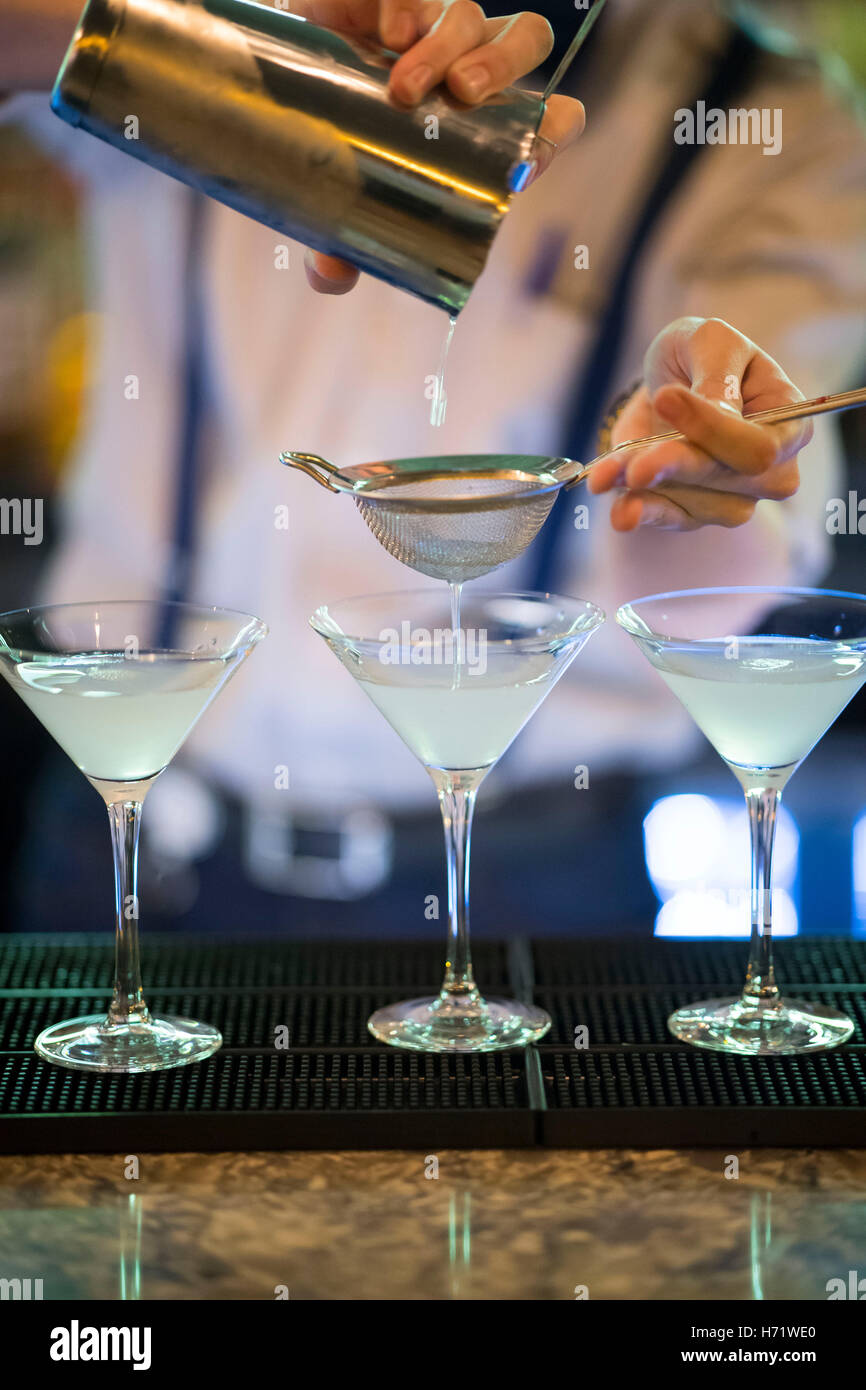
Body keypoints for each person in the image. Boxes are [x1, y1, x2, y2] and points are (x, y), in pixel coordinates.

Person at [1, 0, 864, 934]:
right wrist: (214, 35)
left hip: (531, 880)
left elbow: (729, 567)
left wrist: (693, 475)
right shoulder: (204, 14)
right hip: (130, 833)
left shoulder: (770, 116)